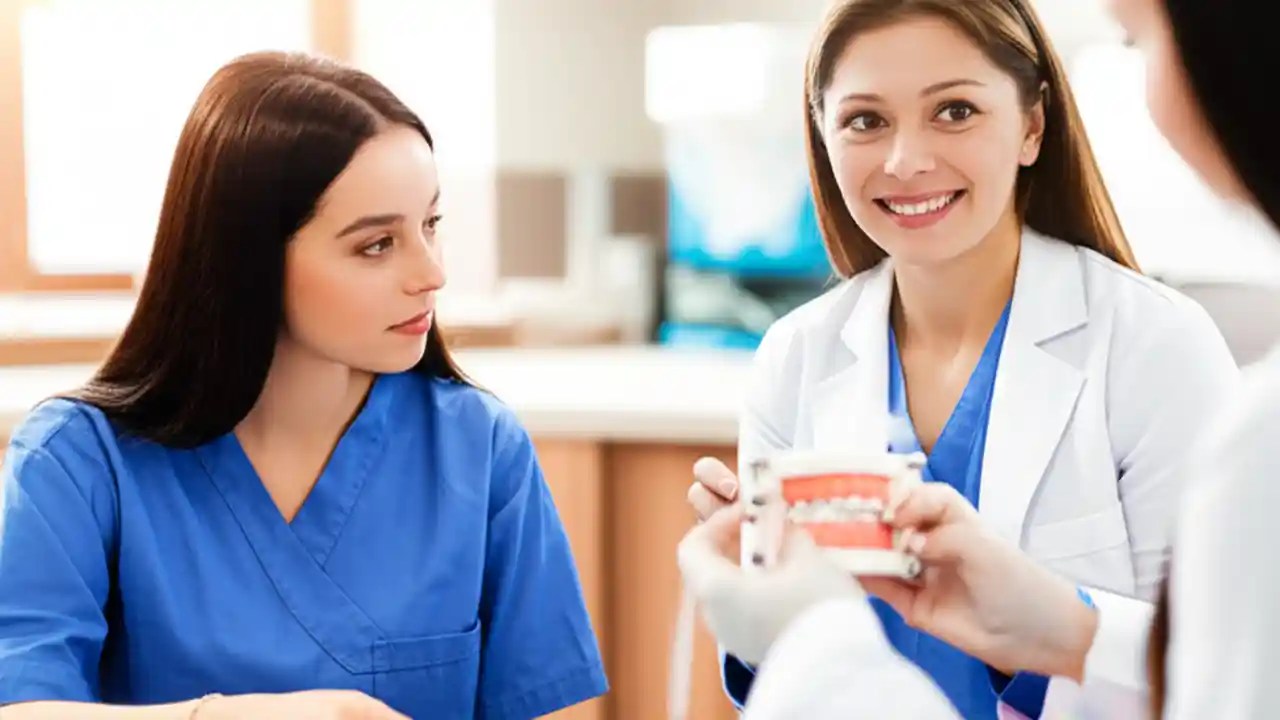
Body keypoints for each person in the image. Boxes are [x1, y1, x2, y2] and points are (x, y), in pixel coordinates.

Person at [681, 0, 1280, 717]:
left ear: (1032, 125)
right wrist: (755, 579)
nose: (906, 161)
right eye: (865, 120)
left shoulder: (1155, 344)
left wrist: (1048, 623)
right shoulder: (796, 357)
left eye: (955, 111)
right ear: (822, 137)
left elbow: (1212, 668)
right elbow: (784, 669)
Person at [0, 52, 607, 719]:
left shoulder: (480, 449)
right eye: (376, 244)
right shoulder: (78, 462)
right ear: (247, 257)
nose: (431, 273)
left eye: (430, 226)